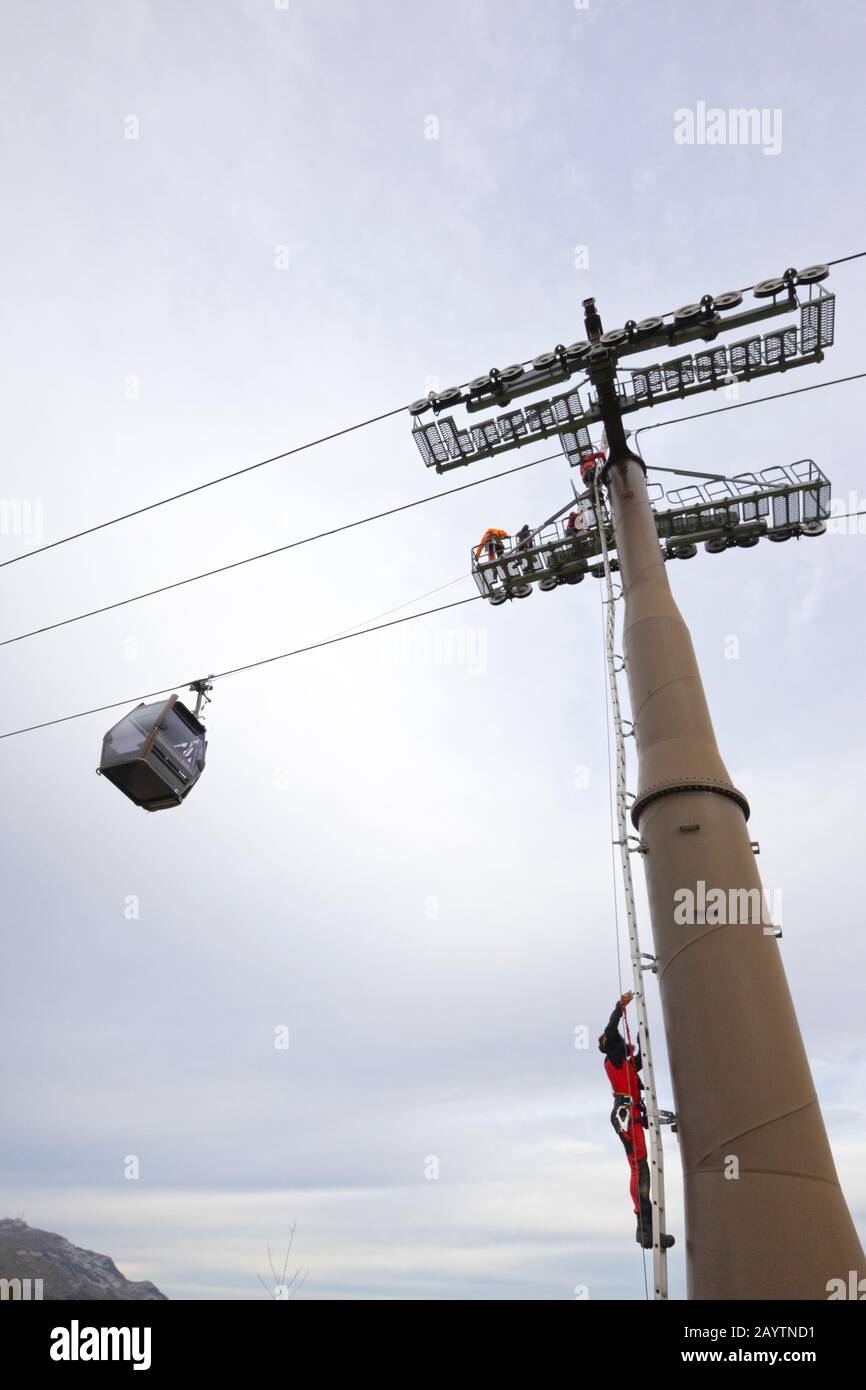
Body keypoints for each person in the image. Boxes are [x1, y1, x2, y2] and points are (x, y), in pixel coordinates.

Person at [599, 991, 675, 1251]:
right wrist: (619, 1007)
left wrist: (646, 1038)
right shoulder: (614, 1060)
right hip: (625, 1116)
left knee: (641, 1168)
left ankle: (647, 1229)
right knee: (638, 1168)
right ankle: (643, 1228)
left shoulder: (627, 1064)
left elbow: (642, 1061)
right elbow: (610, 1031)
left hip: (631, 1116)